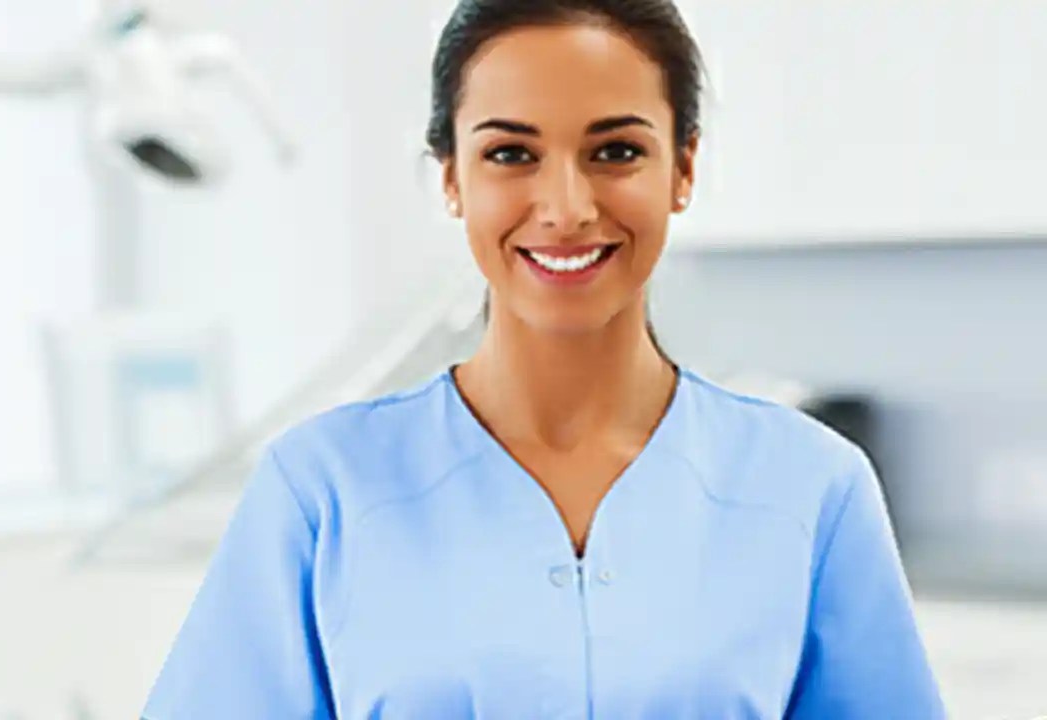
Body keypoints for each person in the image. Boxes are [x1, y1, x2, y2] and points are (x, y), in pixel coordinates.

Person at [142, 0, 946, 717]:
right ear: (452, 177)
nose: (566, 208)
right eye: (510, 155)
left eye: (617, 151)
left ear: (684, 168)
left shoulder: (810, 488)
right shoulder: (322, 490)